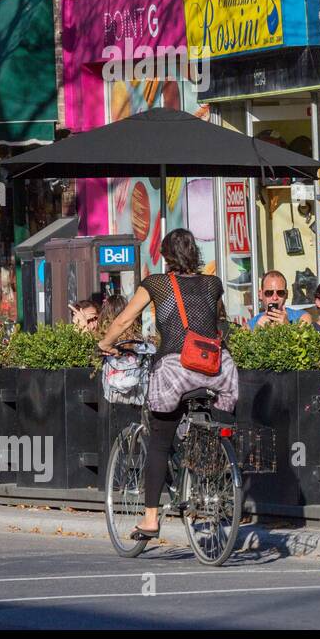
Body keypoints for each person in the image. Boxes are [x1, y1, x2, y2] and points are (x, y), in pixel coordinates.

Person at [97, 228, 237, 541]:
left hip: (174, 371)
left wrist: (105, 343)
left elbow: (122, 321)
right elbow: (219, 324)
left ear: (164, 256)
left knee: (160, 438)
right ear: (196, 254)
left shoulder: (157, 284)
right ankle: (210, 482)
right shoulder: (213, 284)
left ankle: (149, 520)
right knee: (209, 423)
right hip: (215, 370)